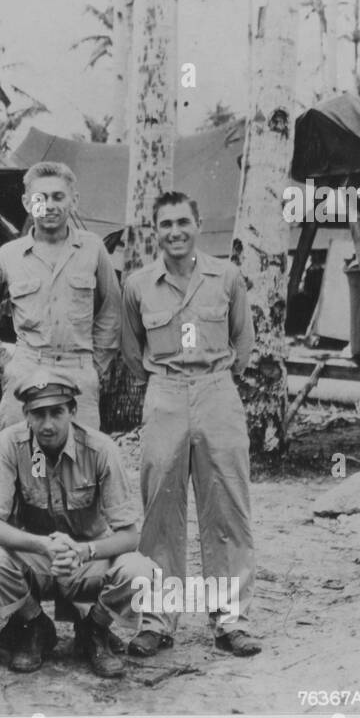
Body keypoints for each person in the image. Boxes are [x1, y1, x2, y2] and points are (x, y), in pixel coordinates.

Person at [121, 191, 260, 658]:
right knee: (160, 510)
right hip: (164, 391)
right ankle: (158, 619)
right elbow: (130, 349)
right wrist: (166, 384)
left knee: (226, 508)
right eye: (165, 224)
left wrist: (214, 381)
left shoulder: (228, 277)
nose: (175, 232)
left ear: (198, 224)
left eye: (183, 221)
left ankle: (231, 620)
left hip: (217, 389)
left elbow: (243, 340)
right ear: (154, 230)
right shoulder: (138, 285)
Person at [0, 372, 157, 678]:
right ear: (25, 415)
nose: (47, 424)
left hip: (86, 559)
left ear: (73, 411)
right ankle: (34, 625)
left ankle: (94, 630)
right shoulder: (10, 444)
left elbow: (129, 536)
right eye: (38, 414)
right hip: (36, 558)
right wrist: (42, 545)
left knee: (138, 570)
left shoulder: (100, 449)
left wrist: (84, 551)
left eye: (57, 412)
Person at [0, 161, 121, 433]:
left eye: (58, 196)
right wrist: (1, 361)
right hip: (26, 368)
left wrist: (95, 366)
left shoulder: (93, 249)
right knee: (22, 460)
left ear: (74, 201)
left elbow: (111, 311)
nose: (49, 205)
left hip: (78, 370)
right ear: (26, 203)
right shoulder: (8, 255)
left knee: (80, 463)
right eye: (40, 198)